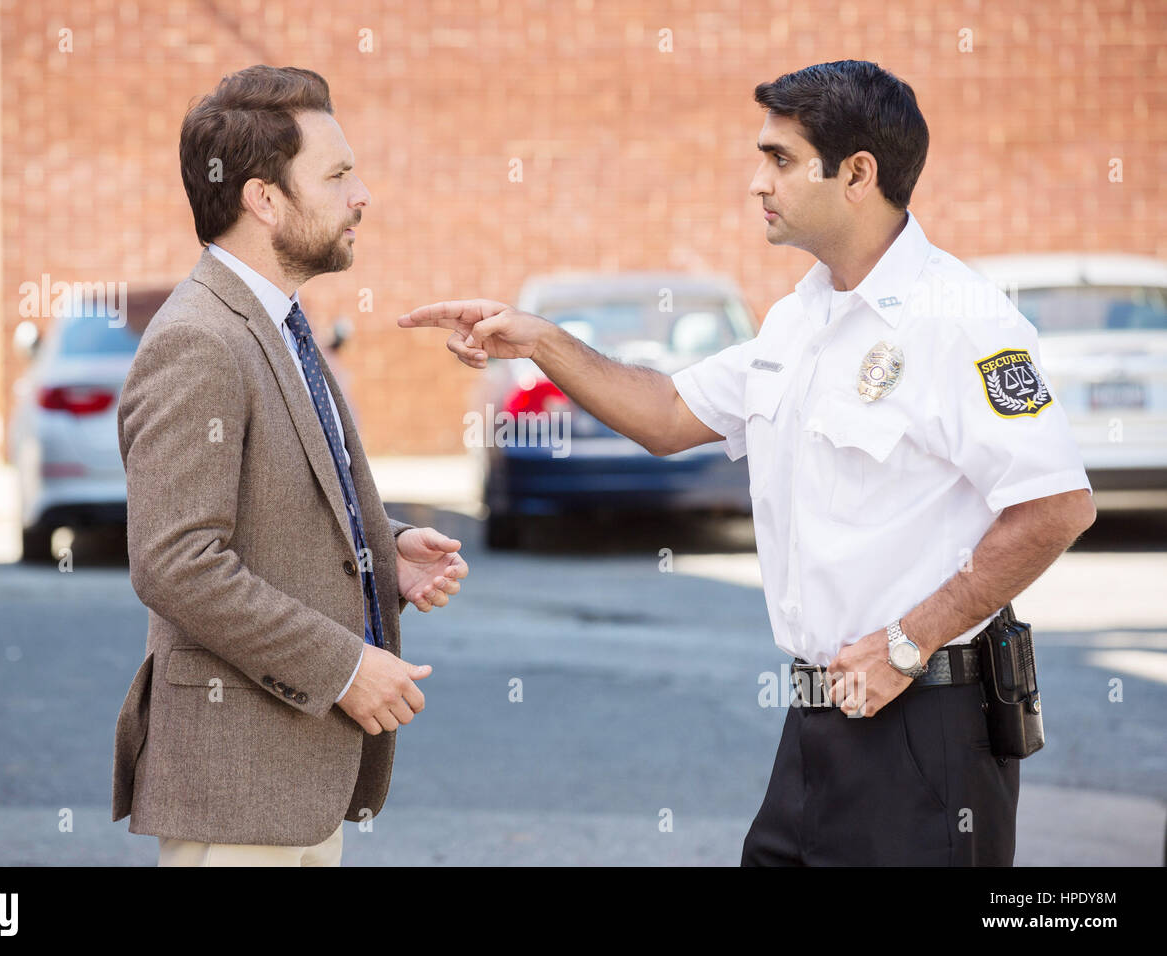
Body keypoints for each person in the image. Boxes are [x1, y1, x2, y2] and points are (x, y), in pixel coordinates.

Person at [397, 59, 1095, 866]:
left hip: (925, 729)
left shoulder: (962, 320)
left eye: (781, 159)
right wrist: (543, 341)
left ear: (858, 174)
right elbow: (665, 414)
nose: (757, 182)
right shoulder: (800, 318)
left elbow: (1055, 506)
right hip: (814, 730)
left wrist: (908, 641)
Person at [111, 65, 468, 867]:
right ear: (263, 200)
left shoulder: (277, 325)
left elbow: (281, 497)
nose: (362, 195)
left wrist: (385, 545)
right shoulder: (199, 341)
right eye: (338, 175)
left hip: (298, 791)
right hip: (236, 793)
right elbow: (176, 562)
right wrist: (345, 669)